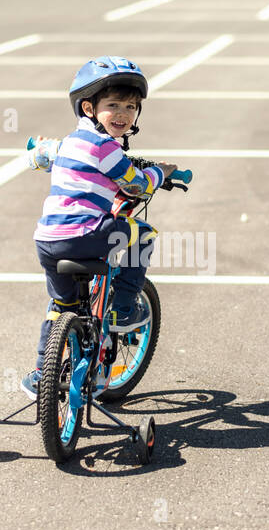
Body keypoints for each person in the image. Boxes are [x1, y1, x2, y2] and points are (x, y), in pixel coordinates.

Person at [21, 56, 176, 399]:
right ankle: (123, 308)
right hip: (87, 234)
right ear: (88, 107)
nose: (123, 114)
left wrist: (38, 148)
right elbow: (135, 186)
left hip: (48, 240)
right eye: (113, 105)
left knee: (62, 307)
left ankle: (40, 373)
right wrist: (161, 173)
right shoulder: (106, 148)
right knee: (143, 234)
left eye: (131, 107)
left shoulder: (66, 144)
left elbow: (37, 157)